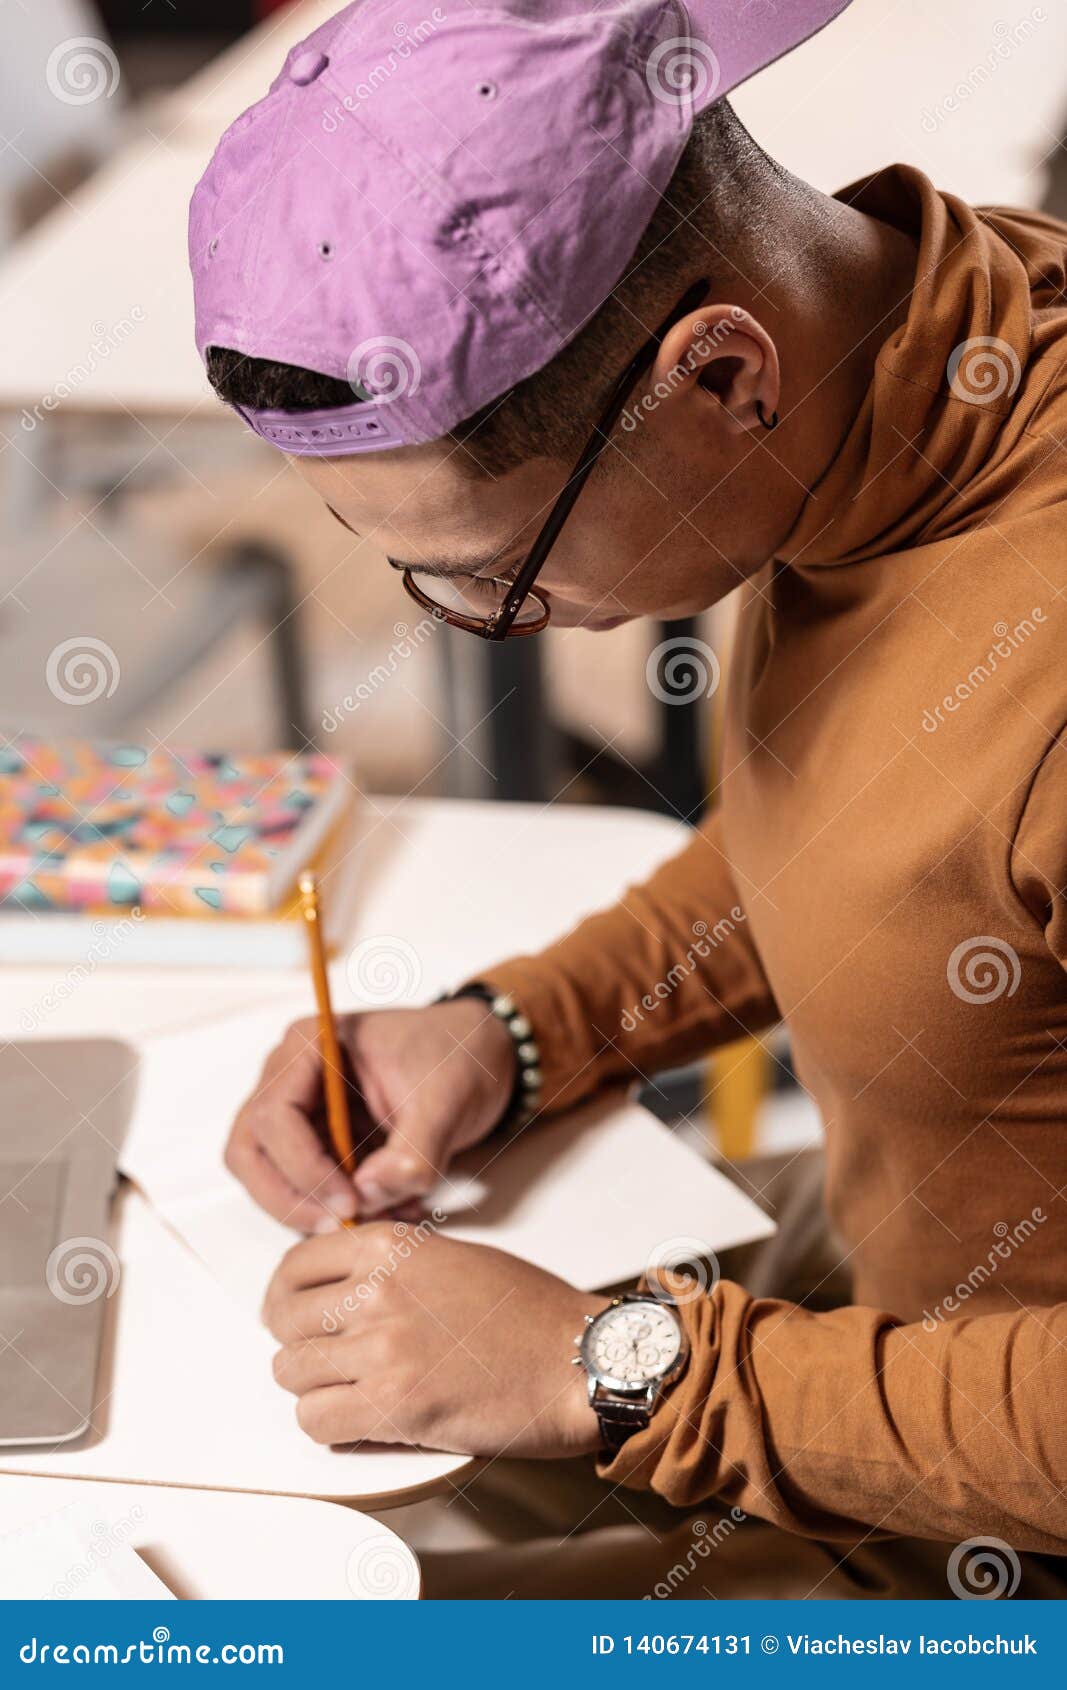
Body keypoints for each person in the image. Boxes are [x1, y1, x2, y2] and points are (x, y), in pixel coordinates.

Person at [188, 0, 1067, 1597]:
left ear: (723, 372)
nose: (490, 628)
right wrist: (523, 1029)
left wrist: (624, 1367)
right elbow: (894, 822)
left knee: (231, 1628)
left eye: (490, 574)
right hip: (887, 1297)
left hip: (998, 1543)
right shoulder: (939, 358)